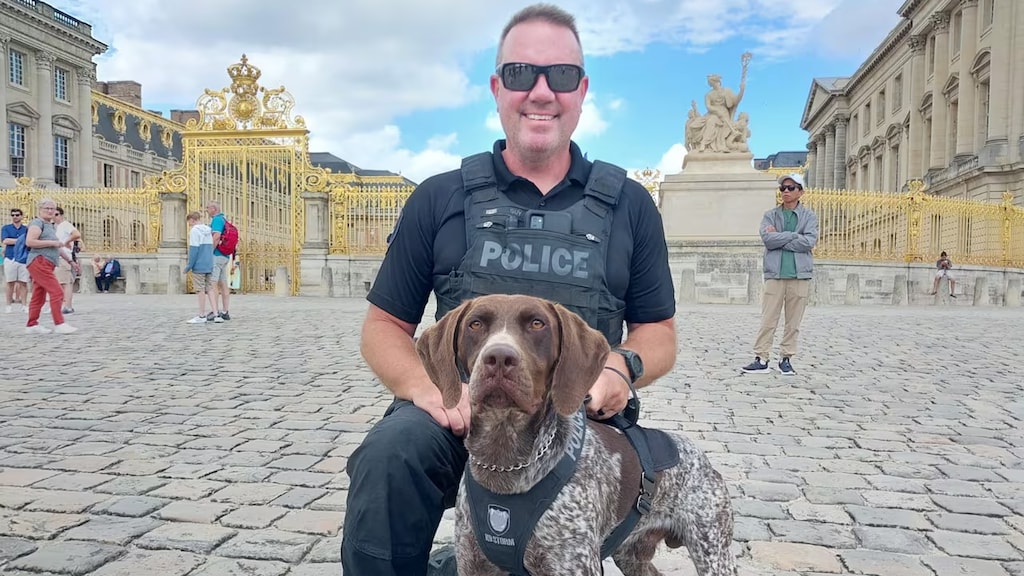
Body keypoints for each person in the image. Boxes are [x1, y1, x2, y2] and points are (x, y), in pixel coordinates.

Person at [341, 5, 677, 575]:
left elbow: (660, 333)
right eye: (521, 74)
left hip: (573, 420)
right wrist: (430, 390)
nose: (541, 92)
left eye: (561, 76)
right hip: (459, 416)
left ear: (582, 90)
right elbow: (383, 328)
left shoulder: (629, 206)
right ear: (497, 87)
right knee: (389, 456)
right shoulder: (440, 197)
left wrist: (620, 368)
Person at [741, 173, 818, 376]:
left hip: (799, 275)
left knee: (793, 322)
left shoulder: (809, 216)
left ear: (800, 191)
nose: (785, 191)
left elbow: (808, 242)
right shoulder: (770, 215)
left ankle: (786, 358)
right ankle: (761, 357)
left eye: (790, 188)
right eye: (782, 188)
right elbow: (768, 239)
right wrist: (794, 235)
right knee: (768, 319)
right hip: (775, 274)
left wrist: (781, 237)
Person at [23, 198, 77, 334]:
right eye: (47, 208)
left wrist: (70, 261)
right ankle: (59, 323)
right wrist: (52, 243)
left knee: (38, 295)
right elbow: (30, 241)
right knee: (57, 291)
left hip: (47, 262)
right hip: (39, 261)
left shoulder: (50, 226)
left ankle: (32, 324)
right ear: (40, 209)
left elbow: (58, 248)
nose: (50, 211)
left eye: (52, 208)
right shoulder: (37, 223)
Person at [184, 211, 218, 323]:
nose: (189, 225)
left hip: (199, 264)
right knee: (210, 288)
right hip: (208, 263)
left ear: (192, 220)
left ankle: (202, 315)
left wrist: (189, 265)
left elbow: (194, 250)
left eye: (189, 222)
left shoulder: (194, 231)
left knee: (200, 290)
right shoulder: (208, 230)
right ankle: (216, 314)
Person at [53, 207, 82, 314]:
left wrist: (66, 241)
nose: (54, 217)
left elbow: (77, 234)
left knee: (65, 283)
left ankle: (67, 306)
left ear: (61, 215)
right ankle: (61, 305)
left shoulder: (65, 225)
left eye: (56, 214)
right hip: (59, 257)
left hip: (64, 257)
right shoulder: (56, 227)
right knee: (61, 282)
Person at [206, 201, 232, 321]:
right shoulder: (224, 219)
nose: (206, 210)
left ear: (214, 209)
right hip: (225, 256)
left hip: (216, 255)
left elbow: (216, 237)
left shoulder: (216, 220)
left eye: (208, 208)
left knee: (213, 283)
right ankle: (225, 311)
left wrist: (209, 252)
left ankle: (215, 311)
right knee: (223, 283)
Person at [2, 208, 29, 313]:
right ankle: (8, 305)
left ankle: (24, 305)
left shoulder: (26, 229)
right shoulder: (6, 228)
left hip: (23, 258)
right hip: (10, 257)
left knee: (23, 282)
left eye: (17, 215)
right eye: (13, 215)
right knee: (10, 282)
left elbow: (29, 241)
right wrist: (21, 241)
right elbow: (5, 240)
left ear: (21, 216)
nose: (15, 217)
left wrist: (15, 241)